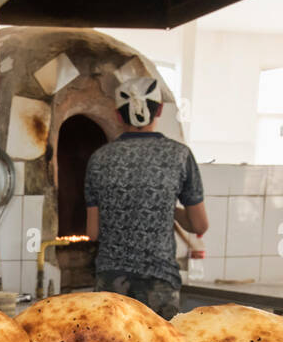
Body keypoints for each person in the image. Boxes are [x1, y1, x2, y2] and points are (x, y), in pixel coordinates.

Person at [84, 76, 208, 320]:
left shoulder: (99, 158)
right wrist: (166, 207)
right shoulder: (179, 155)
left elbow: (93, 232)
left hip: (111, 283)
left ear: (118, 115)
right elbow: (199, 225)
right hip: (160, 284)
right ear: (159, 109)